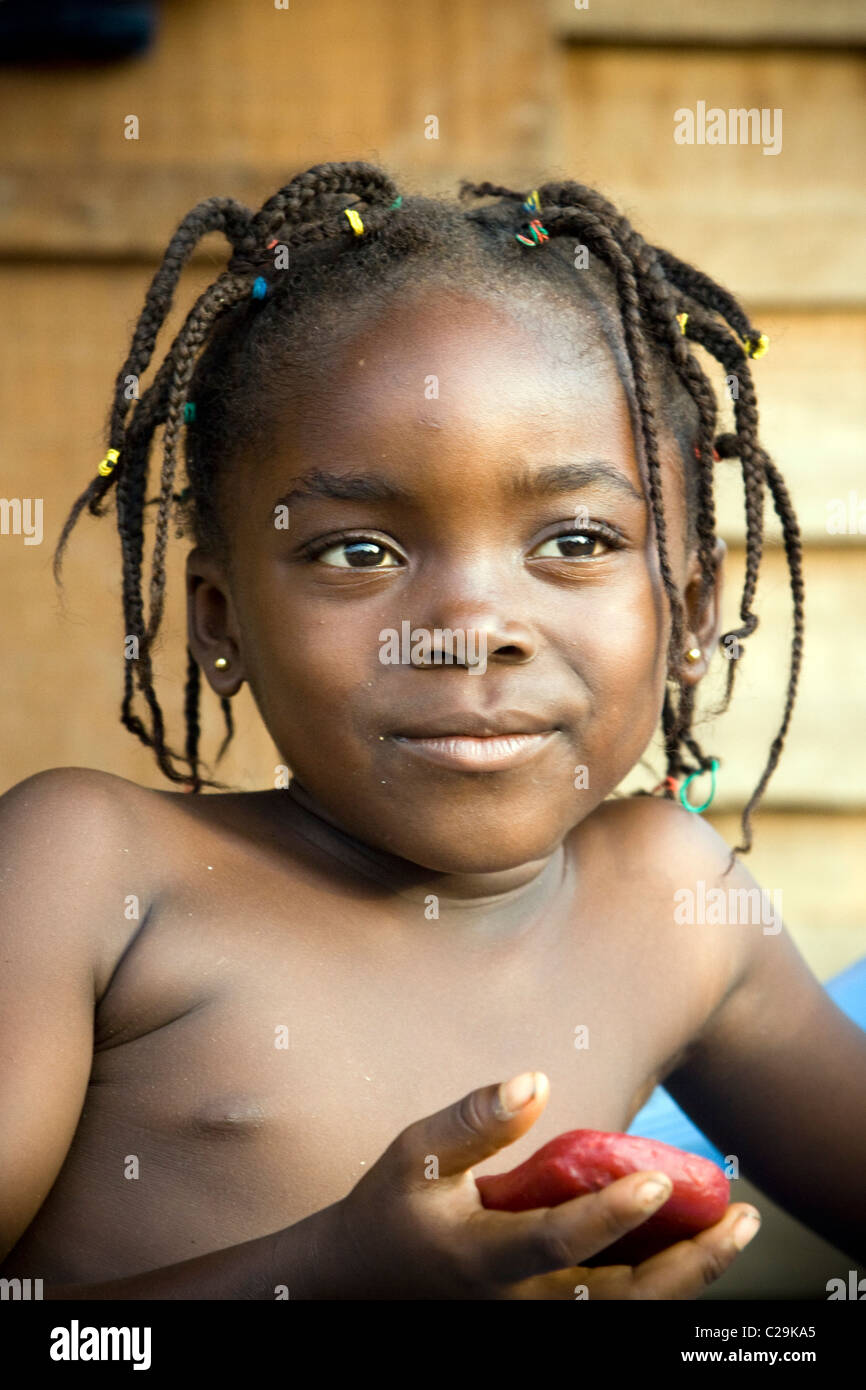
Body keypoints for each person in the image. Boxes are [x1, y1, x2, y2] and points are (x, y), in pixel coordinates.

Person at [1, 162, 863, 1300]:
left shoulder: (672, 905)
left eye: (575, 541)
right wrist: (328, 1276)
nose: (471, 631)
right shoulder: (89, 871)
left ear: (690, 611)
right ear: (221, 621)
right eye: (358, 552)